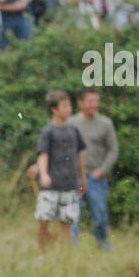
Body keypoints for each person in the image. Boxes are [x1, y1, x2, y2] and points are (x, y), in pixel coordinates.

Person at [35, 90, 87, 252]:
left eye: (69, 105)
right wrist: (43, 174)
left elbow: (79, 155)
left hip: (70, 184)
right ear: (54, 109)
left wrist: (82, 178)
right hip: (51, 185)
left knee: (67, 222)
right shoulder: (48, 131)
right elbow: (43, 154)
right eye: (64, 106)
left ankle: (66, 255)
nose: (68, 108)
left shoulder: (74, 130)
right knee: (44, 220)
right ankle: (41, 253)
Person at [68, 87, 119, 250]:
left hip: (96, 178)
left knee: (99, 217)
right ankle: (70, 250)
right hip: (74, 177)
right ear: (80, 103)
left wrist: (102, 171)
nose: (94, 105)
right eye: (90, 101)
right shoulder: (71, 123)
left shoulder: (105, 123)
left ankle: (103, 248)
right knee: (72, 216)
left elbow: (113, 150)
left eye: (96, 101)